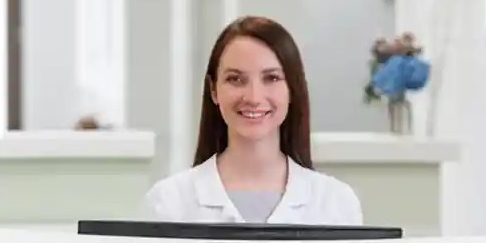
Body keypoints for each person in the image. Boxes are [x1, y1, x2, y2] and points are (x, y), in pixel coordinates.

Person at [142, 16, 363, 225]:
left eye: (272, 78)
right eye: (235, 79)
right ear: (214, 91)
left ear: (292, 90)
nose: (254, 98)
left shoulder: (337, 204)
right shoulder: (168, 203)